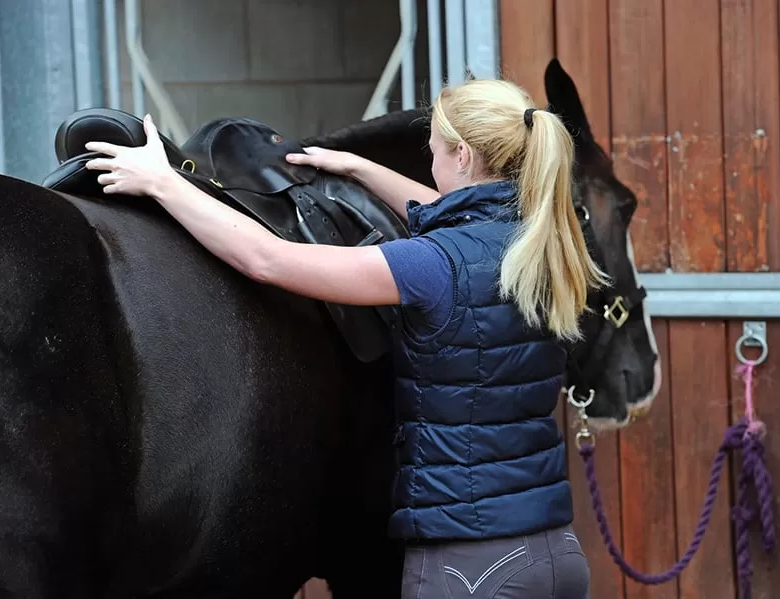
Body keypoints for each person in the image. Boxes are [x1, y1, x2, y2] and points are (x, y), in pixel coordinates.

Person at [85, 77, 606, 598]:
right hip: (554, 556)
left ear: (464, 157)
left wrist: (162, 183)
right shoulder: (542, 242)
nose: (430, 165)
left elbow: (268, 260)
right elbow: (452, 216)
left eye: (435, 153)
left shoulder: (431, 265)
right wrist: (357, 169)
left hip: (470, 569)